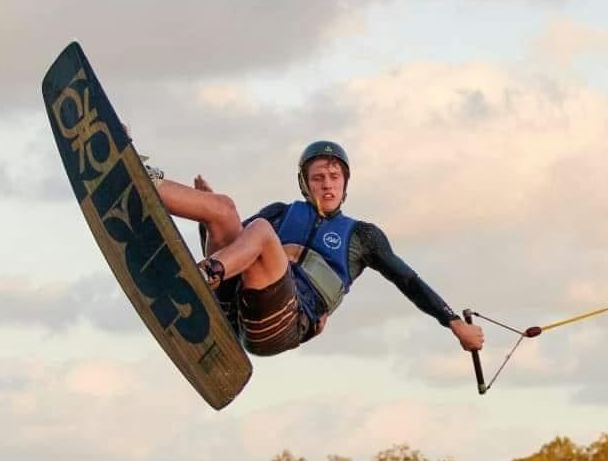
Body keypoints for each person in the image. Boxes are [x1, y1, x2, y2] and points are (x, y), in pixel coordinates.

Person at [148, 141, 486, 358]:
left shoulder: (363, 237)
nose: (327, 184)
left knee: (260, 231)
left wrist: (455, 323)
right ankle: (144, 180)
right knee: (222, 207)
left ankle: (198, 278)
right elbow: (233, 245)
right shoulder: (282, 212)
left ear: (345, 183)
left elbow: (409, 281)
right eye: (318, 178)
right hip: (237, 302)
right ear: (306, 184)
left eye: (334, 177)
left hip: (284, 321)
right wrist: (206, 220)